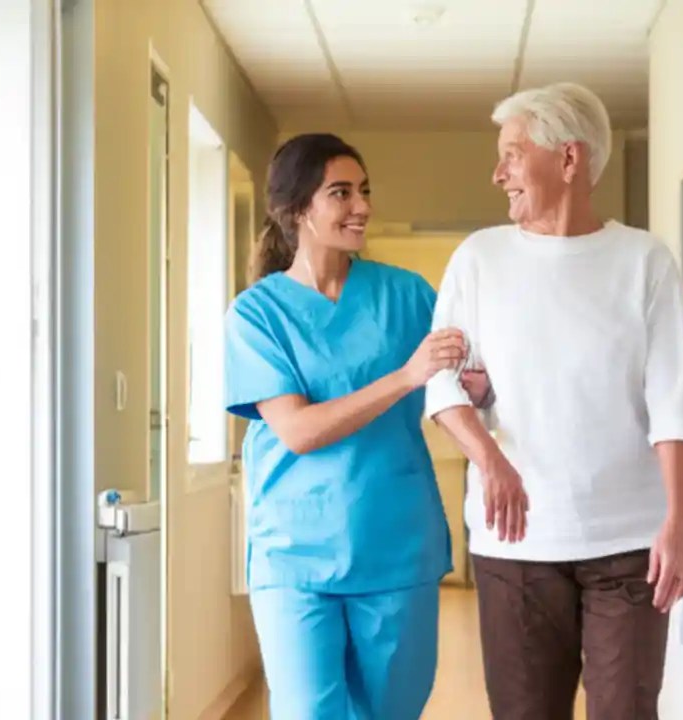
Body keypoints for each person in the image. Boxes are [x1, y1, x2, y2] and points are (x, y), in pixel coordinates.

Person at [425, 82, 683, 719]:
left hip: (628, 545)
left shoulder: (643, 261)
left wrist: (680, 525)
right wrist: (490, 459)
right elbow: (442, 382)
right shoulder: (480, 259)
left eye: (513, 155)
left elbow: (673, 401)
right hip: (517, 548)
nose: (499, 175)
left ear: (569, 159)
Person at [223, 133, 484, 719]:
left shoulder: (408, 296)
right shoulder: (256, 315)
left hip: (395, 547)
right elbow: (298, 431)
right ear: (297, 210)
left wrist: (476, 385)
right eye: (341, 193)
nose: (362, 205)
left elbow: (459, 384)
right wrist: (406, 376)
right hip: (294, 555)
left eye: (364, 190)